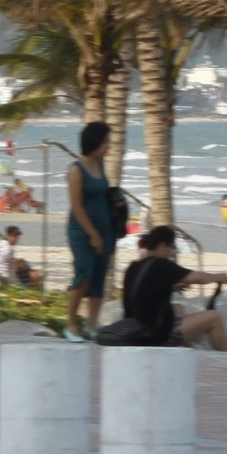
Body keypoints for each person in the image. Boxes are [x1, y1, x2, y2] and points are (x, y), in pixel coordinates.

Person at [99, 223, 227, 351]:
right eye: (171, 247)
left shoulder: (134, 267)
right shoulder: (162, 265)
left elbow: (144, 289)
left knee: (178, 308)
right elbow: (199, 278)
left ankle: (185, 353)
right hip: (156, 334)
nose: (171, 252)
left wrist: (172, 287)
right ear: (163, 245)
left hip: (135, 327)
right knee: (214, 317)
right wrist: (219, 277)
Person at [61, 123, 129, 340]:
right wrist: (92, 234)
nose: (108, 146)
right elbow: (77, 206)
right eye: (105, 142)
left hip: (106, 227)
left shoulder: (100, 164)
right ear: (94, 142)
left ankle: (91, 325)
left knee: (99, 276)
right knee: (84, 274)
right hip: (82, 231)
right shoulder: (76, 169)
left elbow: (103, 192)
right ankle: (71, 324)